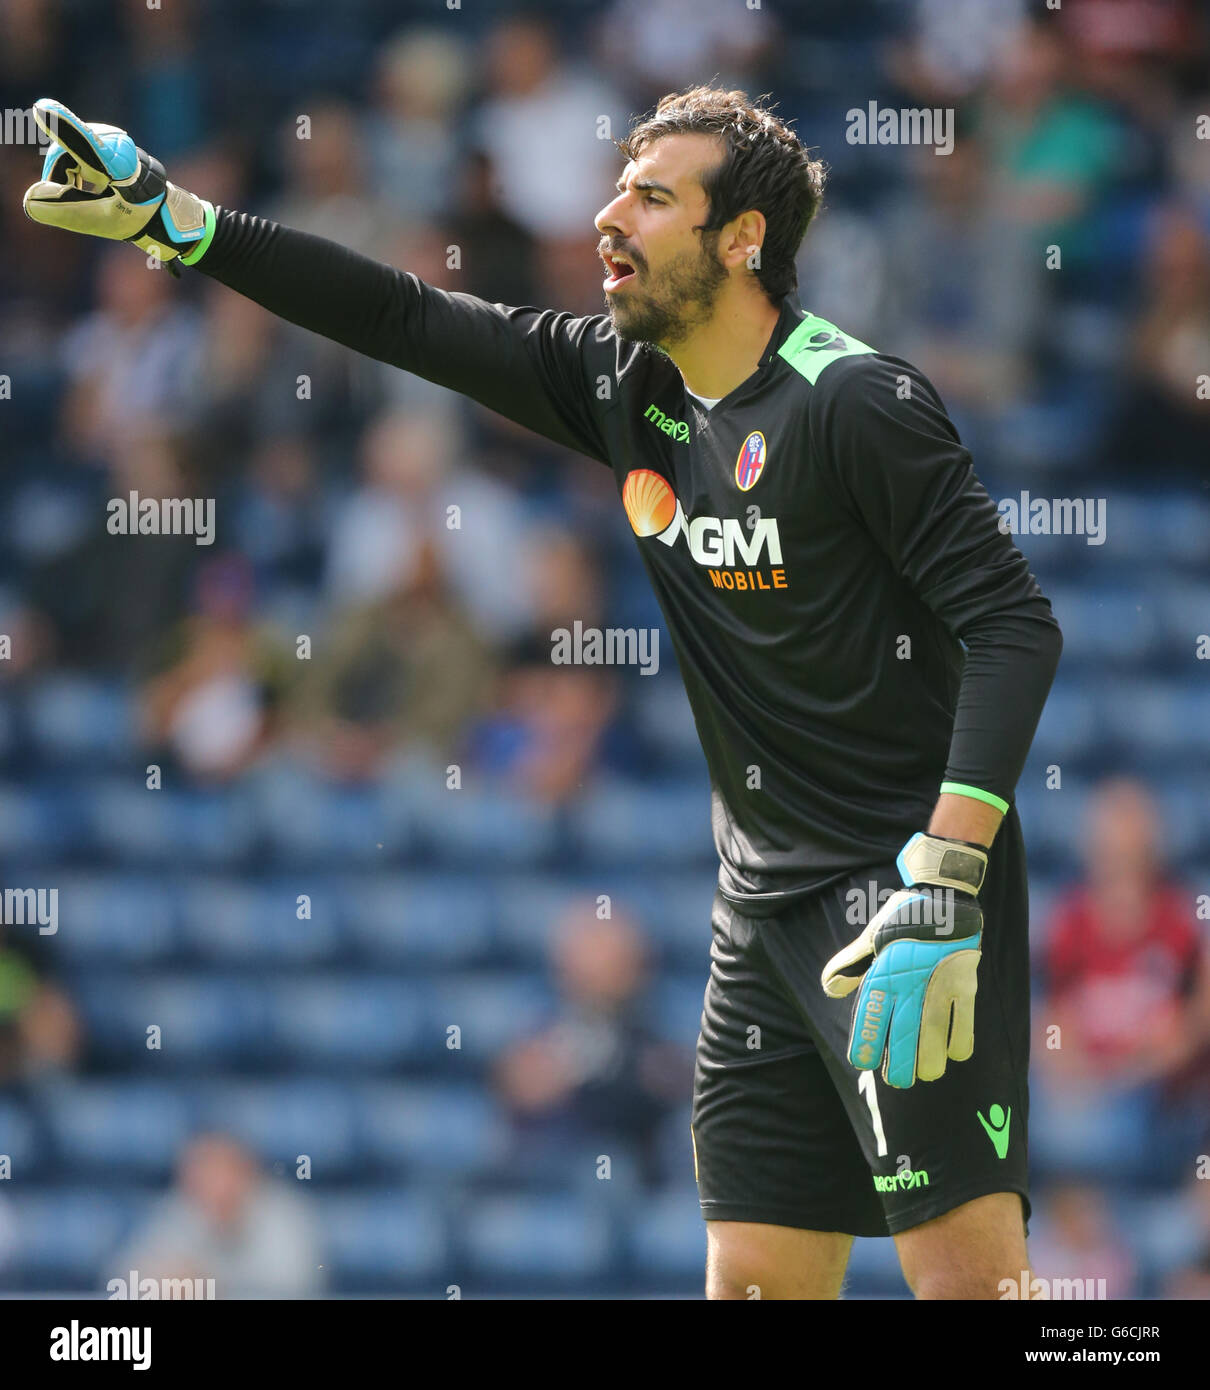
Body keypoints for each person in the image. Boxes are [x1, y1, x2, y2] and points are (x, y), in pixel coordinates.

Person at [23, 86, 1063, 1299]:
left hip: (905, 906)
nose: (606, 213)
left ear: (742, 241)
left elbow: (1013, 625)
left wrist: (945, 879)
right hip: (760, 912)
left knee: (975, 1294)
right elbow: (405, 316)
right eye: (620, 182)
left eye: (651, 194)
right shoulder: (626, 381)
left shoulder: (857, 402)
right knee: (755, 1287)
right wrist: (181, 223)